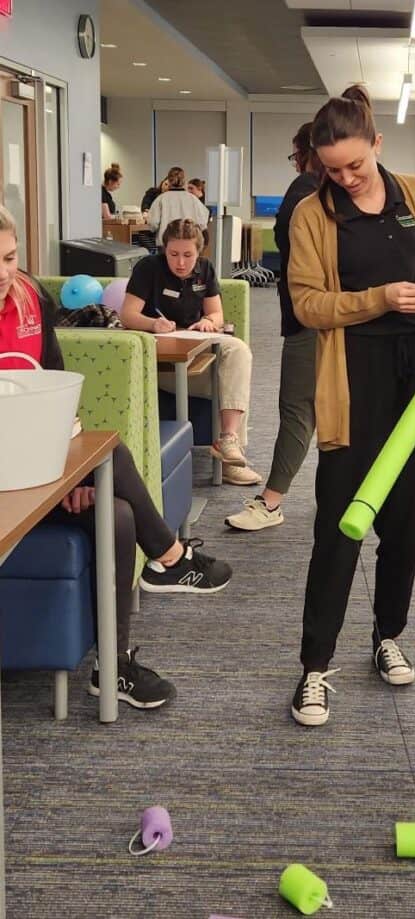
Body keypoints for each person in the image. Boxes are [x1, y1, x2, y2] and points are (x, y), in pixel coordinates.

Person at [0, 205, 233, 709]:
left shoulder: (29, 297)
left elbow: (55, 389)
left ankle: (114, 665)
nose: (3, 273)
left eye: (10, 257)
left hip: (37, 468)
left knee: (117, 511)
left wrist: (73, 471)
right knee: (117, 481)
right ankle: (170, 558)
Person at [286, 85, 415, 726]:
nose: (346, 178)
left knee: (405, 518)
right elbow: (307, 303)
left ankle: (389, 634)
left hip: (414, 376)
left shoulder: (411, 190)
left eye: (355, 165)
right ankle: (314, 666)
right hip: (350, 378)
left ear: (377, 144)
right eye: (332, 169)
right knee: (339, 522)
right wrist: (378, 298)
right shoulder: (313, 213)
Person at [226, 122, 323, 531]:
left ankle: (271, 501)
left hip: (309, 317)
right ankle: (334, 495)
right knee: (327, 408)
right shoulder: (337, 191)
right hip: (329, 316)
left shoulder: (305, 189)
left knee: (298, 409)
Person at [120, 218, 261, 486]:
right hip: (160, 365)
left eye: (188, 255)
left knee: (238, 352)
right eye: (174, 254)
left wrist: (210, 322)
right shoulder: (148, 268)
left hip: (196, 356)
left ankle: (228, 442)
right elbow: (127, 315)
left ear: (199, 253)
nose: (181, 262)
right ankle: (230, 458)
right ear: (164, 250)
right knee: (232, 383)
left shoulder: (205, 270)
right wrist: (153, 324)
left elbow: (217, 313)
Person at [147, 166, 209, 248]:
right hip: (189, 243)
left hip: (167, 244)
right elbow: (203, 222)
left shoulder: (161, 199)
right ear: (184, 181)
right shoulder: (193, 199)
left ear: (169, 180)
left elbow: (153, 223)